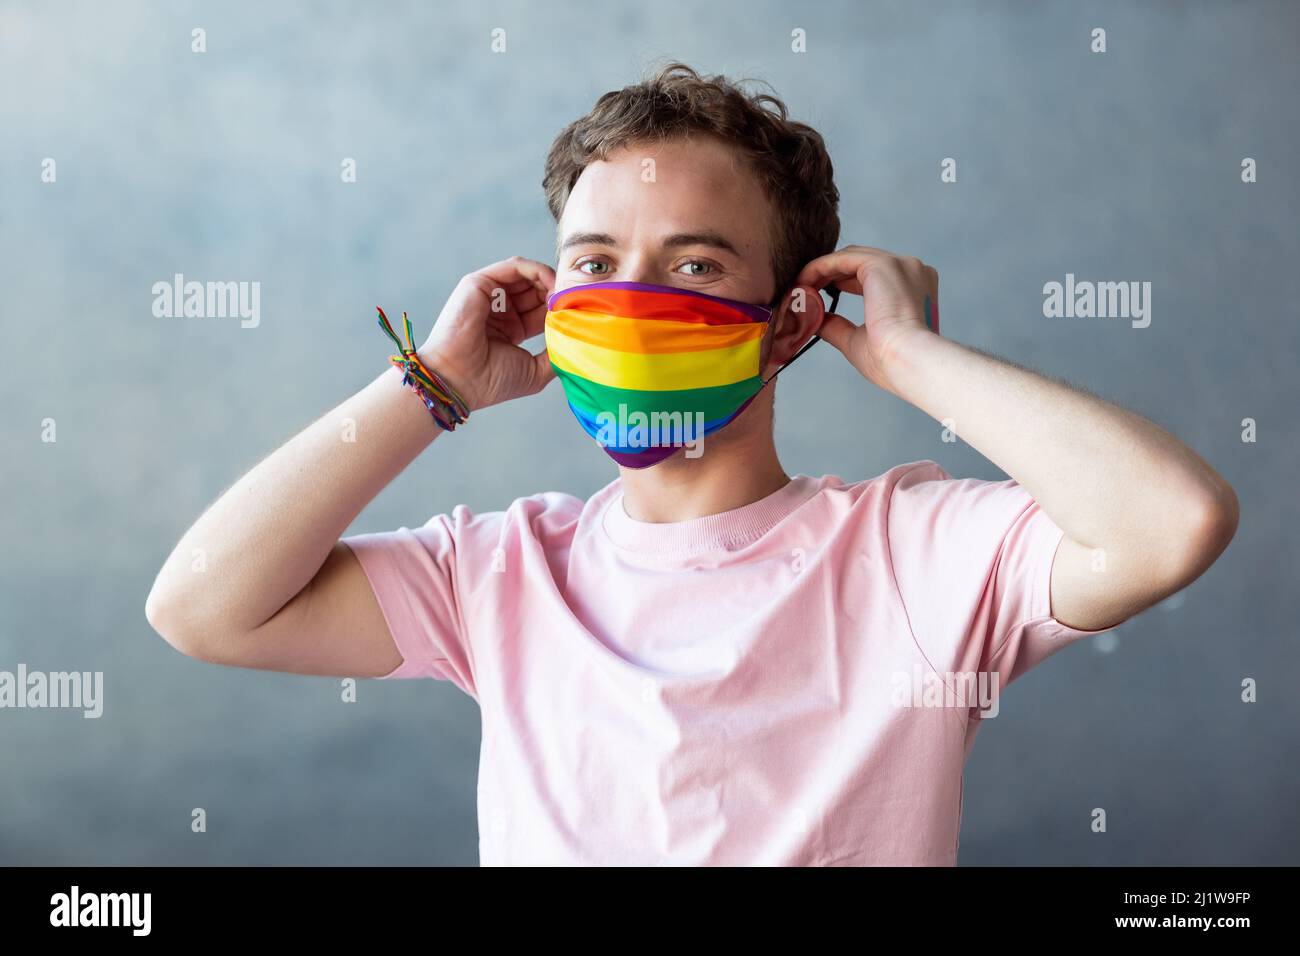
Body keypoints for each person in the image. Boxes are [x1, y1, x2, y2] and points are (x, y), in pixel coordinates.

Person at [145, 63, 1239, 865]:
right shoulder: (501, 570)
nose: (629, 297)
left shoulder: (917, 553)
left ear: (789, 319)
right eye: (594, 264)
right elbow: (205, 607)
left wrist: (913, 357)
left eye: (694, 263)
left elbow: (1171, 518)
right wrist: (430, 383)